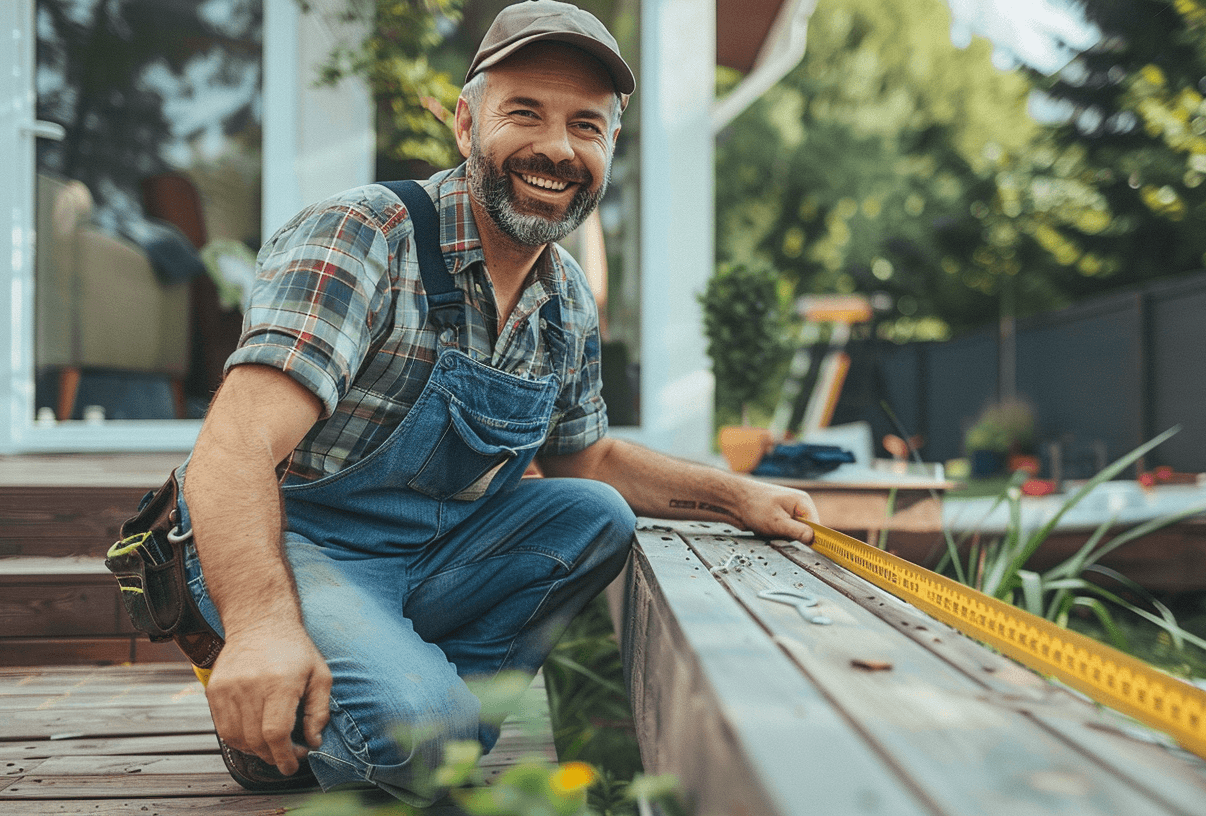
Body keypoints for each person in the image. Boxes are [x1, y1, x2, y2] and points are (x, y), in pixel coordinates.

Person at [171, 0, 818, 806]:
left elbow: (586, 458)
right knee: (425, 735)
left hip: (428, 556)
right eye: (526, 114)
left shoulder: (565, 299)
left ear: (610, 148)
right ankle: (315, 715)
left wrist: (734, 495)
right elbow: (233, 445)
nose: (557, 148)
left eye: (587, 126)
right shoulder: (364, 233)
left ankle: (374, 714)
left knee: (593, 513)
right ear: (465, 125)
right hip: (302, 543)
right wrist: (264, 627)